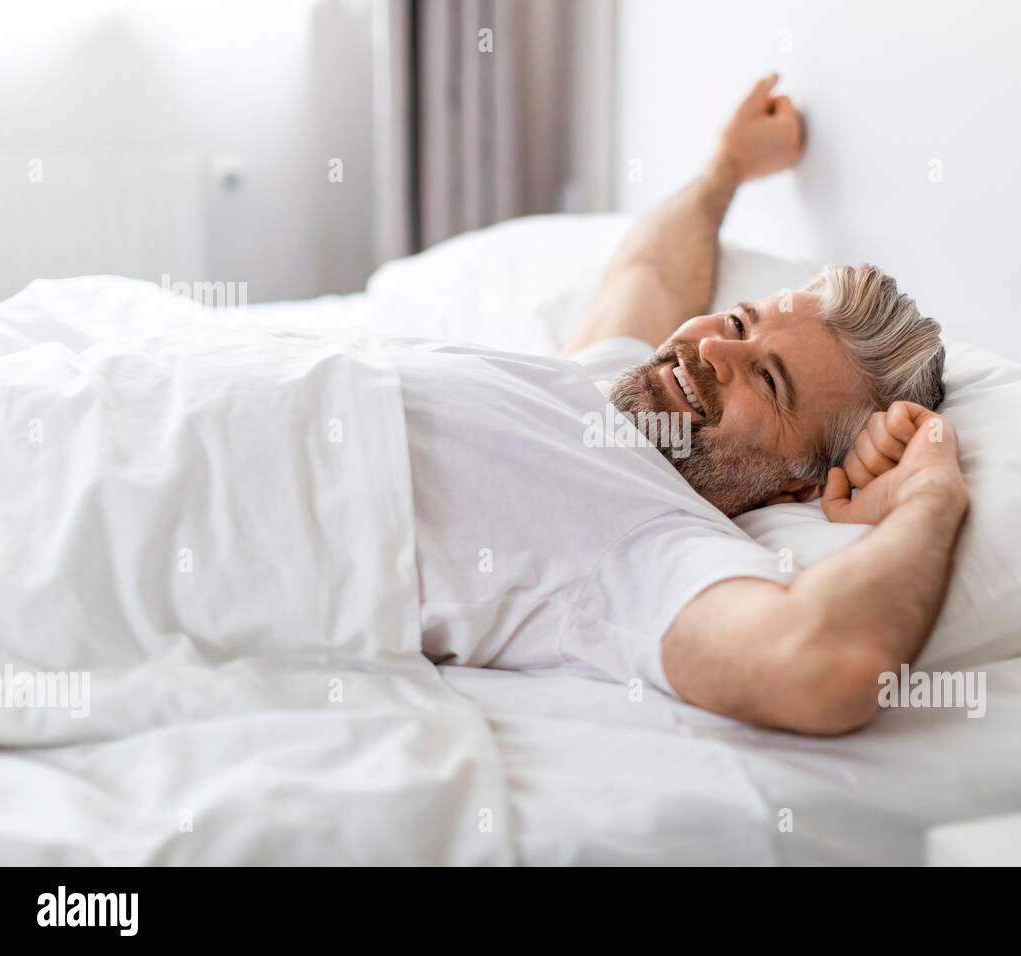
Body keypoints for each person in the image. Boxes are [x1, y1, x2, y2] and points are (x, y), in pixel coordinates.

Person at [400, 73, 968, 734]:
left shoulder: (649, 542)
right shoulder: (606, 381)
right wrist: (728, 167)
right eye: (734, 324)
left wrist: (930, 494)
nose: (714, 356)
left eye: (769, 382)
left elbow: (818, 666)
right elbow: (653, 271)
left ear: (796, 486)